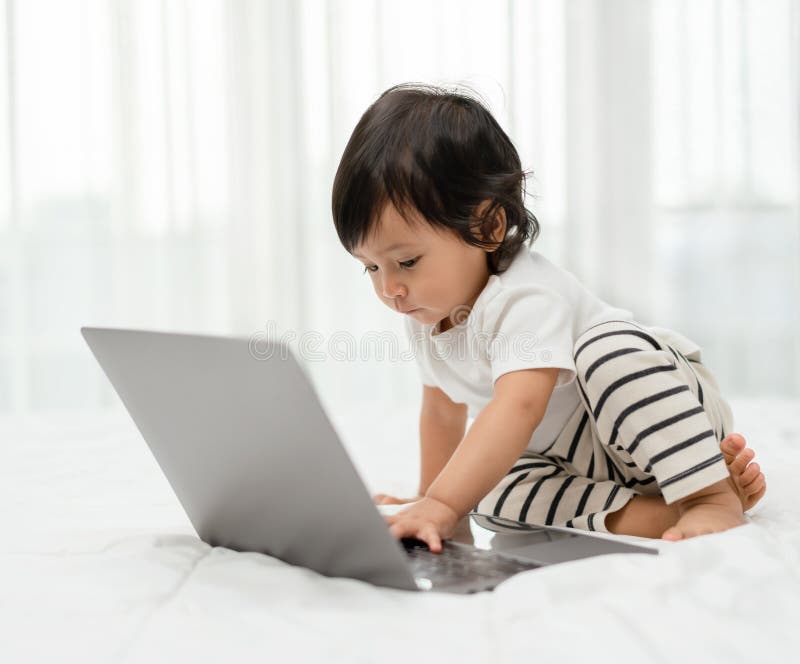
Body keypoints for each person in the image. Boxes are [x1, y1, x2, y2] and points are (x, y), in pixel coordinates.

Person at [330, 82, 767, 553]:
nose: (389, 289)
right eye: (370, 267)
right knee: (489, 496)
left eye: (406, 262)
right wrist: (431, 499)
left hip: (662, 412)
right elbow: (441, 411)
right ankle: (660, 513)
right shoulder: (425, 315)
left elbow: (519, 406)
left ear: (488, 226)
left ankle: (709, 495)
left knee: (607, 353)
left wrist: (442, 502)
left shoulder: (525, 296)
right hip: (584, 460)